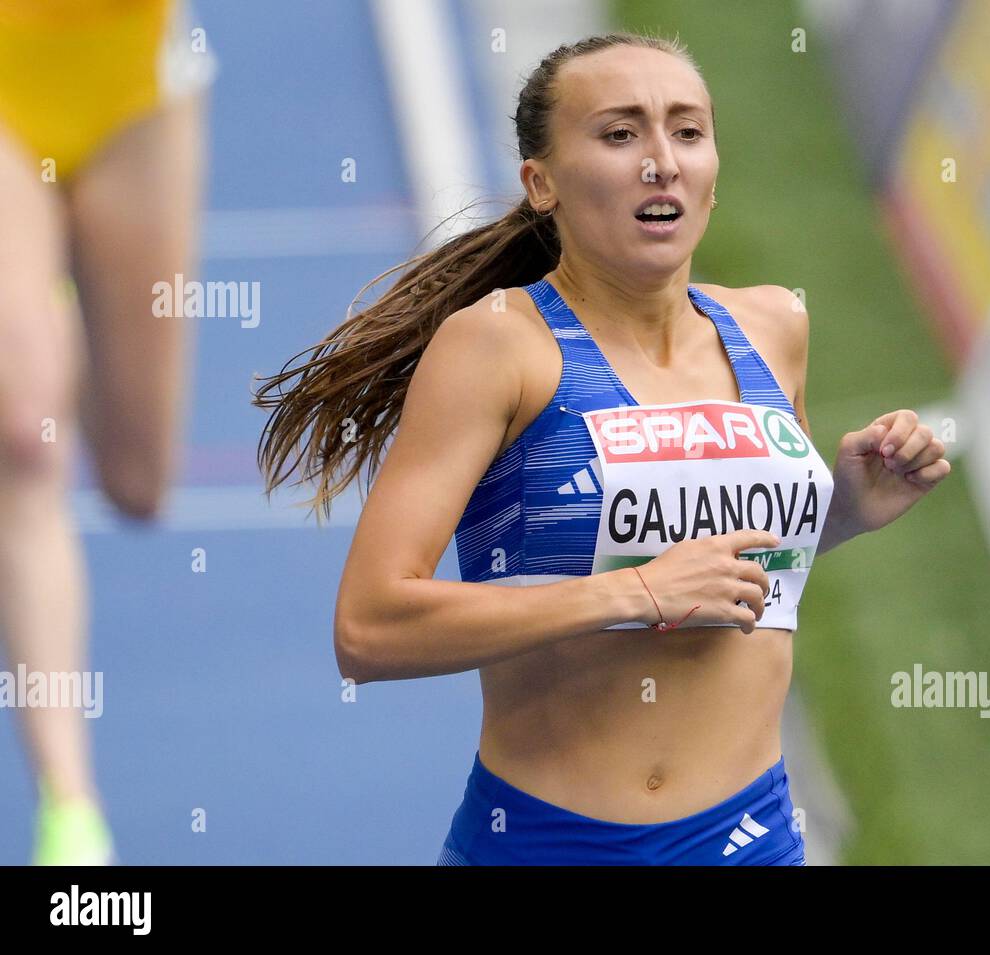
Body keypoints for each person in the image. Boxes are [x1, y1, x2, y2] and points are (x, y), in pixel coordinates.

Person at [253, 31, 950, 865]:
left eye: (687, 131)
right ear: (540, 182)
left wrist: (839, 511)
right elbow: (367, 630)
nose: (662, 161)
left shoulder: (774, 328)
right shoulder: (498, 348)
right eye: (621, 134)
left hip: (749, 839)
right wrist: (632, 593)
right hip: (547, 843)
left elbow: (737, 569)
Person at [0, 0, 214, 864]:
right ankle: (73, 814)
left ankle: (49, 300)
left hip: (133, 91)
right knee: (25, 435)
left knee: (138, 481)